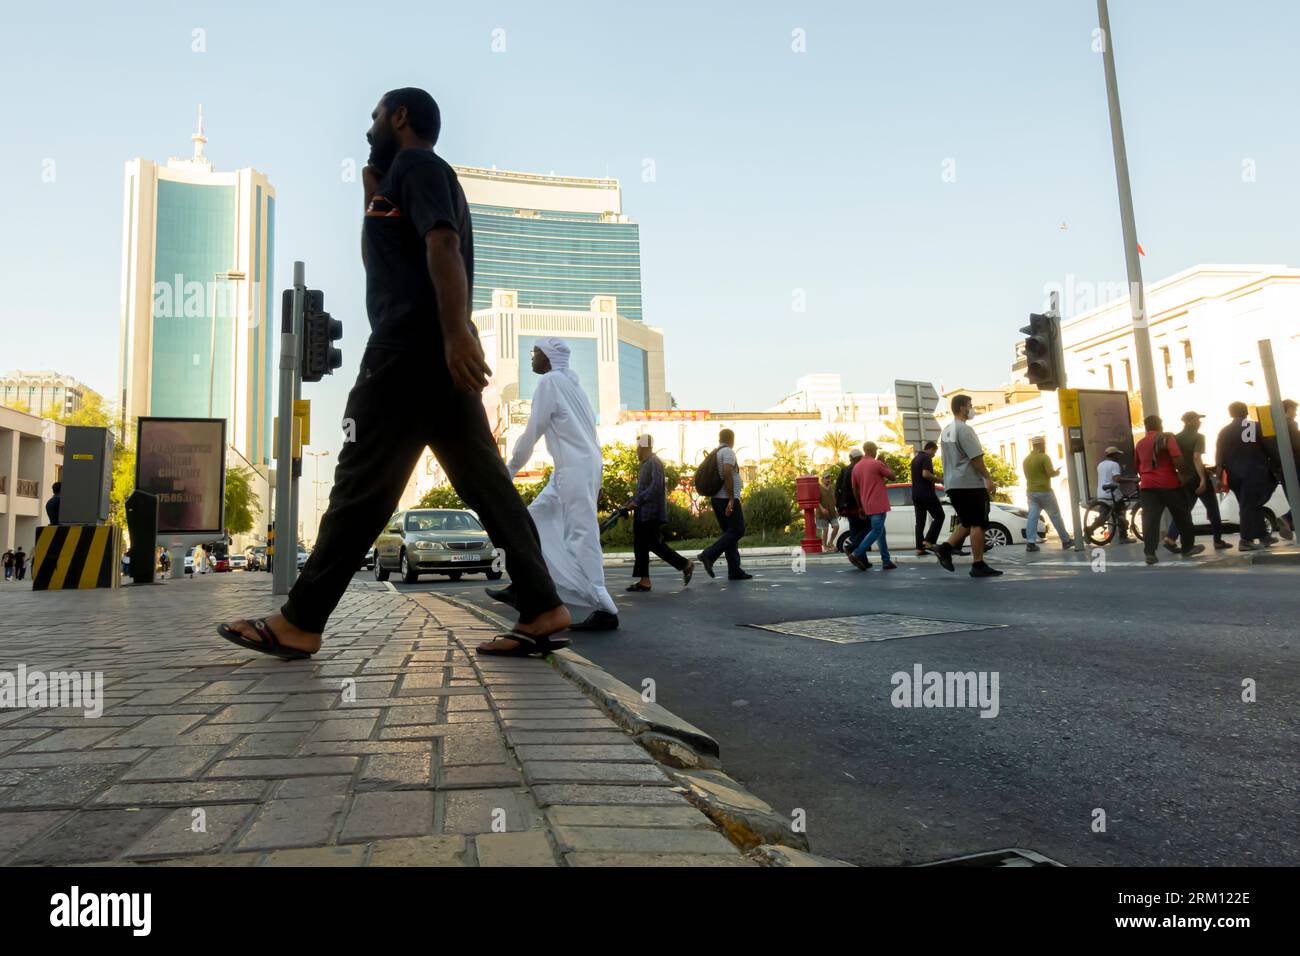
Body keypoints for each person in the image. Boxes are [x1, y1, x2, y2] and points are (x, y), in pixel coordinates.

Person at [218, 87, 570, 661]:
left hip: (406, 353)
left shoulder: (420, 164)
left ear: (400, 117)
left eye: (375, 116)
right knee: (487, 486)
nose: (367, 127)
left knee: (359, 487)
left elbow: (443, 242)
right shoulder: (399, 177)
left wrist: (456, 333)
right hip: (432, 360)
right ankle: (542, 606)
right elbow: (404, 249)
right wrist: (371, 190)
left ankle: (300, 622)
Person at [488, 338, 618, 631]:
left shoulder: (551, 384)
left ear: (548, 358)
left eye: (535, 354)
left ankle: (605, 608)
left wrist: (508, 471)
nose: (531, 359)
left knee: (581, 534)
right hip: (575, 469)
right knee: (532, 521)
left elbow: (533, 430)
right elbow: (590, 436)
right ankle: (526, 586)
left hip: (575, 470)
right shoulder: (572, 386)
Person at [933, 394, 1002, 577]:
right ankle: (978, 563)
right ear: (963, 408)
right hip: (969, 483)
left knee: (967, 521)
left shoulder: (946, 430)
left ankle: (945, 549)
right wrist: (988, 478)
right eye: (970, 405)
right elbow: (975, 457)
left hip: (953, 483)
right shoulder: (964, 429)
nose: (972, 409)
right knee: (978, 523)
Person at [623, 434, 694, 592]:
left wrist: (638, 502)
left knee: (652, 545)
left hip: (651, 514)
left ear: (644, 447)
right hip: (643, 513)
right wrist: (629, 503)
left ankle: (684, 565)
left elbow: (655, 488)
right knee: (642, 545)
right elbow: (642, 490)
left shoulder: (654, 463)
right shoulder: (645, 464)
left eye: (638, 447)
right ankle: (645, 580)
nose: (636, 451)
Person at [1136, 415, 1205, 565]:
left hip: (1147, 487)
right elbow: (1177, 459)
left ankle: (1150, 553)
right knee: (1183, 516)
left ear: (1146, 427)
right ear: (1160, 425)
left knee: (1150, 520)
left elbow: (1137, 466)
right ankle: (1187, 547)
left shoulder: (1140, 443)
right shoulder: (1167, 439)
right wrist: (1185, 475)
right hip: (1169, 485)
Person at [1161, 412, 1228, 552]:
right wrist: (1203, 479)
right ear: (1191, 421)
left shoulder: (1176, 438)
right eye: (1198, 419)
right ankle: (1218, 541)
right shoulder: (1198, 437)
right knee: (1213, 509)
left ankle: (1170, 538)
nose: (1200, 422)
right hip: (1198, 478)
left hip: (1184, 479)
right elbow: (1196, 457)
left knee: (1184, 511)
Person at [1215, 402, 1278, 551]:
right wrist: (1279, 461)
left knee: (1251, 503)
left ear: (1231, 414)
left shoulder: (1224, 431)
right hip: (1254, 472)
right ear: (1246, 412)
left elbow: (1219, 457)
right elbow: (1269, 448)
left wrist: (1218, 478)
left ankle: (1263, 536)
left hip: (1234, 475)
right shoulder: (1254, 426)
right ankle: (1245, 540)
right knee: (1249, 505)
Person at [698, 428, 752, 580]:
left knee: (730, 534)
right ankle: (708, 554)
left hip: (717, 499)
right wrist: (731, 499)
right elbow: (727, 473)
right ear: (732, 439)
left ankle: (734, 570)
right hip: (725, 499)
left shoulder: (717, 452)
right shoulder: (727, 452)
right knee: (738, 530)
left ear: (719, 438)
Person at [848, 442, 896, 570]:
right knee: (876, 530)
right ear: (872, 450)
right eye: (875, 450)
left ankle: (886, 560)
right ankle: (856, 554)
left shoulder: (856, 467)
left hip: (866, 504)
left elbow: (854, 489)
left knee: (881, 532)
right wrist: (884, 463)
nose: (876, 452)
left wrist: (860, 506)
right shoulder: (877, 464)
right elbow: (893, 477)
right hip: (878, 504)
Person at [1022, 436, 1073, 551]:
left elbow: (1027, 476)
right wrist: (1057, 472)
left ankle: (1030, 543)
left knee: (1032, 517)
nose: (1045, 446)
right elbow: (1050, 473)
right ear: (1040, 445)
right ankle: (1066, 541)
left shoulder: (1026, 460)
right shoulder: (1044, 457)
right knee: (1055, 515)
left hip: (1031, 492)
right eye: (1044, 444)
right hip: (1044, 491)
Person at [910, 440, 944, 556]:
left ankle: (920, 548)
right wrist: (940, 480)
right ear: (931, 449)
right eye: (935, 452)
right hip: (926, 494)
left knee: (920, 522)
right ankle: (928, 541)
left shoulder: (915, 459)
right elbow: (925, 474)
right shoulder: (926, 457)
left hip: (916, 494)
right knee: (940, 516)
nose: (934, 455)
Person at [835, 447, 867, 552]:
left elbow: (837, 489)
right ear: (859, 458)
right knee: (867, 528)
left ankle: (860, 558)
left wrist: (840, 506)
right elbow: (859, 488)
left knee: (854, 531)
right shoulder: (858, 469)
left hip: (847, 507)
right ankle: (853, 549)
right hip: (857, 506)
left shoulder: (844, 470)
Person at [1096, 445, 1131, 542]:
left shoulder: (1100, 465)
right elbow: (1117, 479)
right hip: (1113, 494)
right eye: (1117, 455)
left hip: (1101, 494)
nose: (1119, 457)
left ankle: (1089, 530)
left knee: (1102, 517)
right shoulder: (1114, 465)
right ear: (1114, 455)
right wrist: (1131, 480)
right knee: (1121, 511)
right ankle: (1123, 537)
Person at [1277, 399, 1300, 540]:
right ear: (1288, 409)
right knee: (1297, 499)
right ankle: (1287, 518)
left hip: (1280, 468)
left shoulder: (1274, 425)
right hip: (1295, 466)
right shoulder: (1291, 423)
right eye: (1295, 410)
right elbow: (1297, 446)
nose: (1296, 413)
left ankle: (1291, 523)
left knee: (1294, 499)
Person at [816, 471, 839, 549]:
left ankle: (830, 542)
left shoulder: (832, 488)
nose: (828, 480)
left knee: (836, 527)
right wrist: (822, 509)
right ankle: (824, 546)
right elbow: (817, 501)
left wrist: (836, 510)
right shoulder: (819, 488)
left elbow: (834, 500)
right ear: (822, 479)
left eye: (829, 478)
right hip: (822, 513)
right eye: (826, 478)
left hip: (832, 512)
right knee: (825, 530)